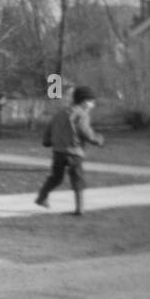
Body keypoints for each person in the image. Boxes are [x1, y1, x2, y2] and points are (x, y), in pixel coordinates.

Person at [35, 85, 104, 215]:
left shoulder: (60, 114)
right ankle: (80, 209)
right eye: (91, 101)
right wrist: (97, 139)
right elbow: (85, 132)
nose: (92, 105)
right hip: (74, 152)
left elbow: (49, 129)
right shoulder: (82, 114)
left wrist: (46, 141)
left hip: (58, 152)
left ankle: (41, 197)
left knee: (56, 177)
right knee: (78, 179)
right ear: (84, 101)